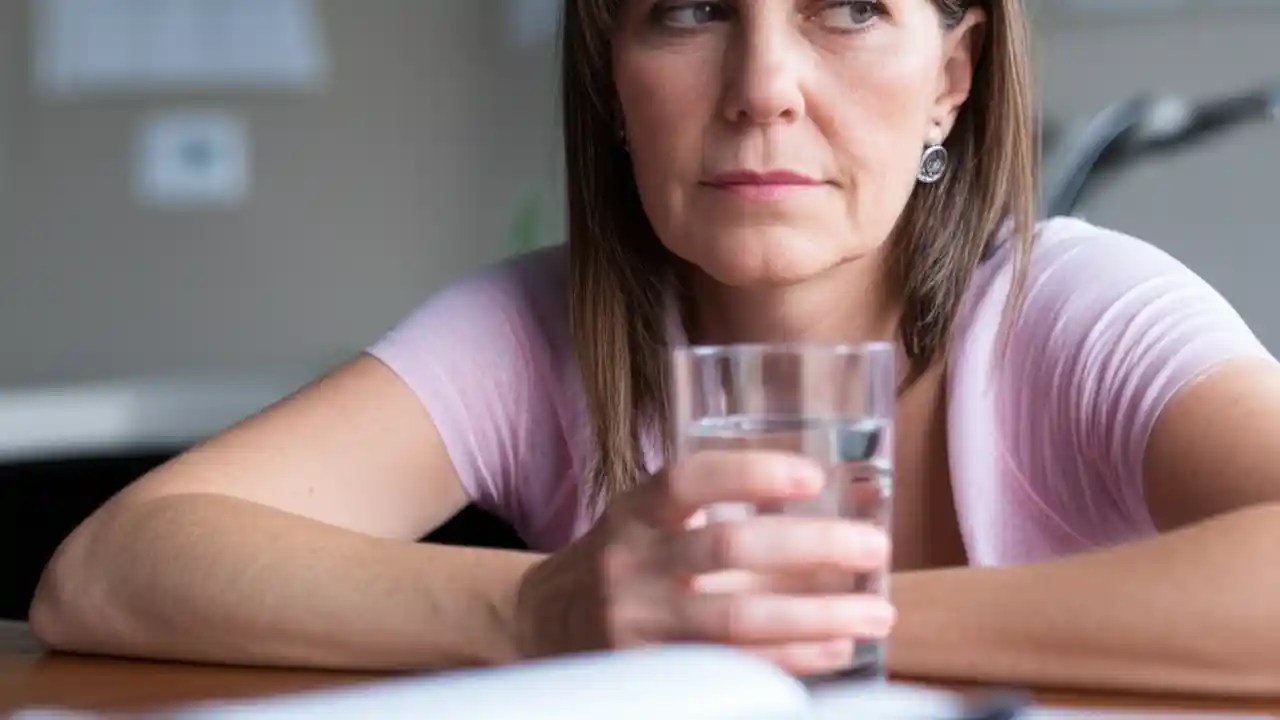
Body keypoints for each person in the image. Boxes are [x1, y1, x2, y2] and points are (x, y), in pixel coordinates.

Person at [30, 0, 1280, 694]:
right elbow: (111, 567)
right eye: (685, 10)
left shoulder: (1069, 304)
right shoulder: (532, 328)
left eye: (846, 8)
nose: (761, 86)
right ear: (613, 86)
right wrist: (546, 611)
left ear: (950, 79)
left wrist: (813, 623)